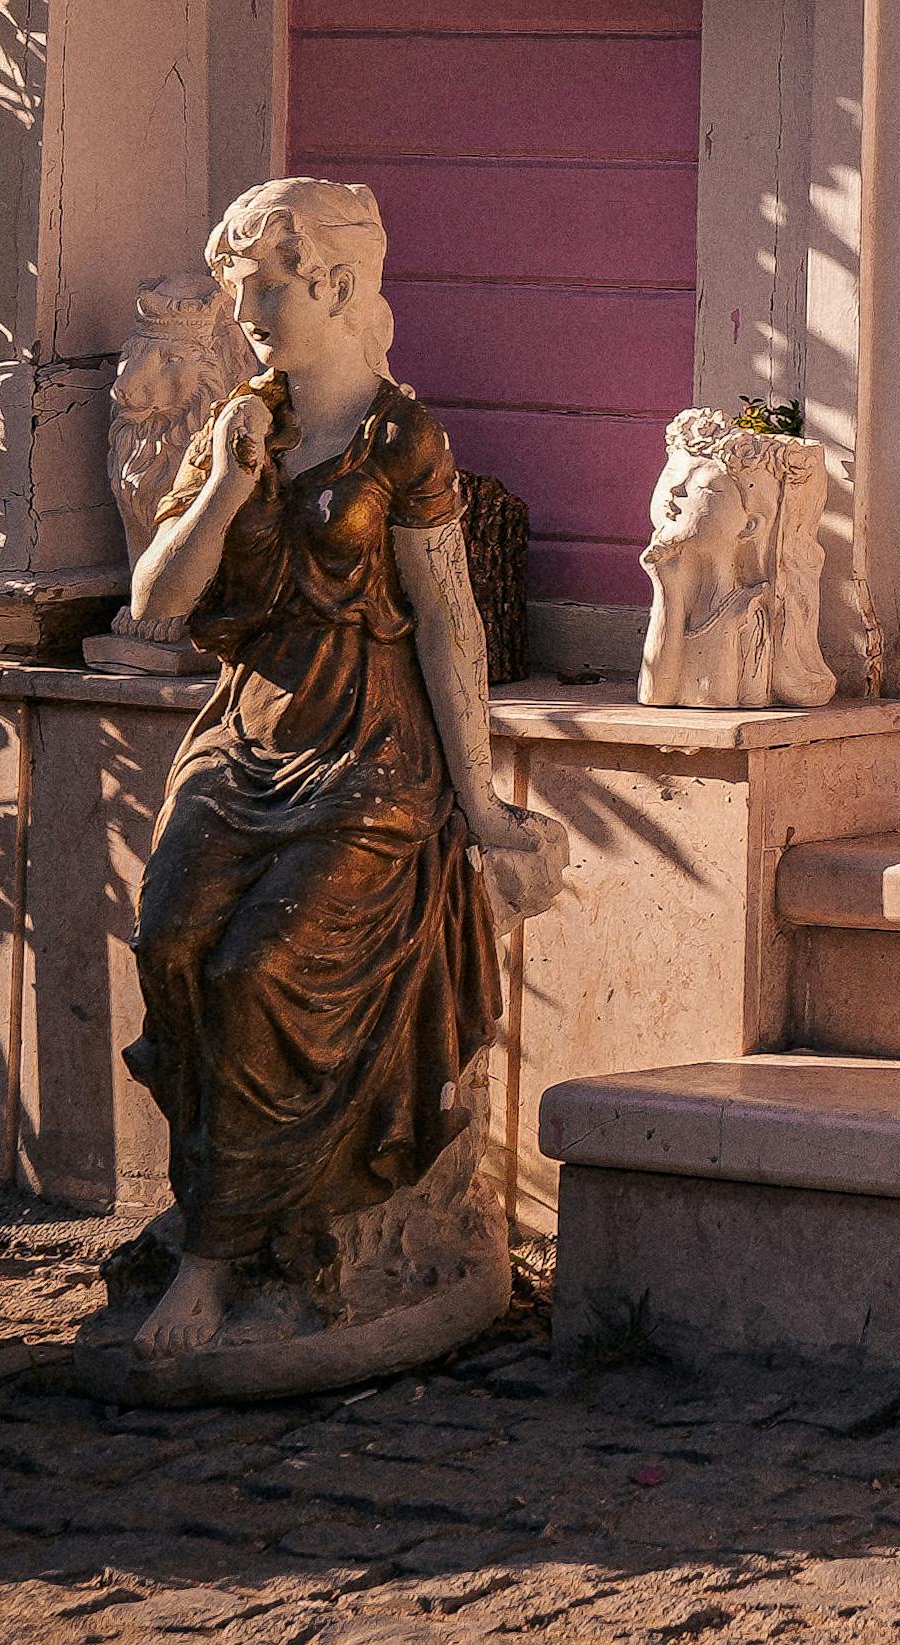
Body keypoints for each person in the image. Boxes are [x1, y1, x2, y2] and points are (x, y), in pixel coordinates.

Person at [119, 174, 571, 1368]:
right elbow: (155, 599)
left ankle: (229, 1253)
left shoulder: (398, 439)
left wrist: (478, 800)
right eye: (237, 287)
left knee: (261, 969)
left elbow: (448, 618)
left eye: (267, 285)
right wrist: (226, 484)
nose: (246, 310)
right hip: (245, 738)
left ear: (334, 285)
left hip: (370, 752)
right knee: (170, 940)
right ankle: (230, 1209)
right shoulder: (239, 428)